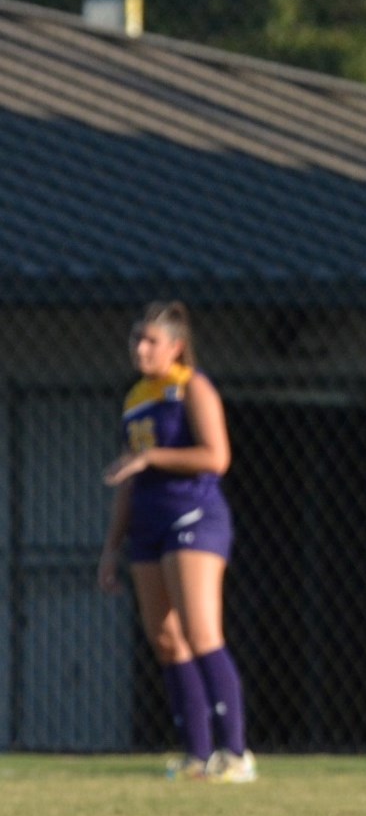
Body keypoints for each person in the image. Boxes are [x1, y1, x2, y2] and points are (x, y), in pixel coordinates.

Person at [95, 301, 254, 783]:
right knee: (165, 640)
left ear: (176, 346)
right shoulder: (135, 398)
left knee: (202, 632)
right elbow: (129, 476)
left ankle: (236, 753)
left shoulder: (192, 387)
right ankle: (197, 755)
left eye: (151, 340)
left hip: (194, 516)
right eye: (135, 340)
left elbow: (216, 456)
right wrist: (111, 547)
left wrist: (151, 458)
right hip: (147, 524)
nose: (140, 348)